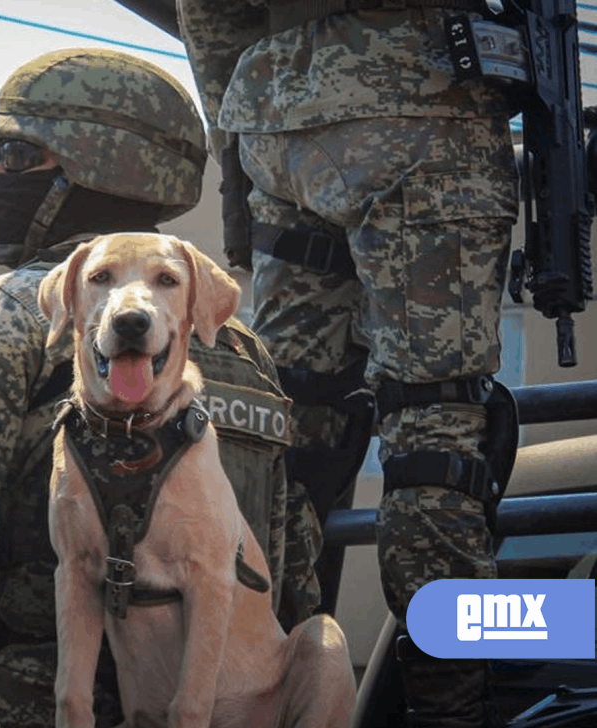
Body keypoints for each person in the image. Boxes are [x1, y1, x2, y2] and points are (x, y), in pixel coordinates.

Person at [176, 2, 520, 726]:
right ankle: (451, 711)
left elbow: (207, 12)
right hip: (423, 99)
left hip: (277, 118)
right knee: (435, 433)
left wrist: (236, 143)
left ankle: (262, 696)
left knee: (288, 428)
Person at [0, 47, 321, 728]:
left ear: (97, 161)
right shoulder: (240, 343)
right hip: (232, 693)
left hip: (26, 691)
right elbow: (290, 550)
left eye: (16, 157)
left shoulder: (8, 311)